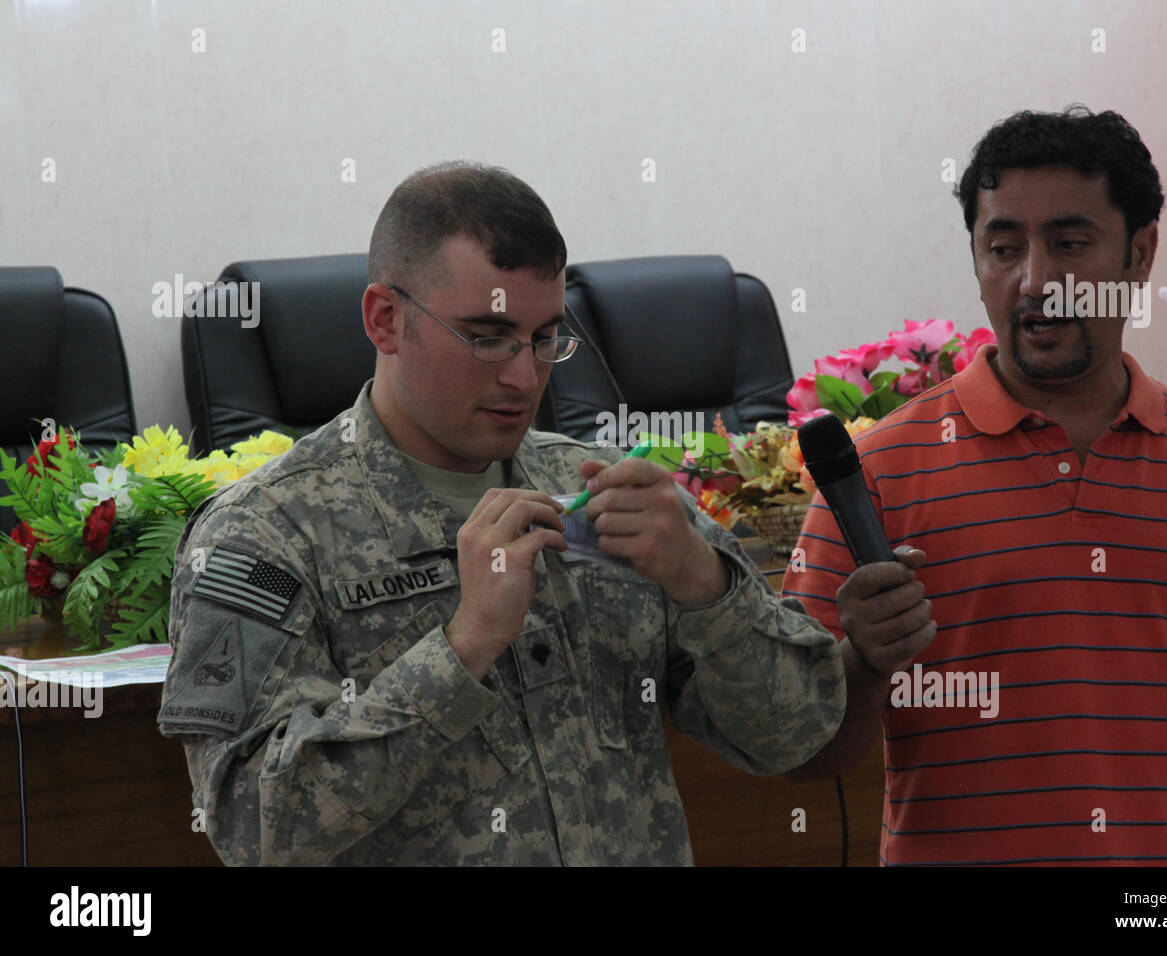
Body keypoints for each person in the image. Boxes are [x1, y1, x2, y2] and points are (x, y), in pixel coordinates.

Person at [157, 162, 845, 866]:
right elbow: (250, 825)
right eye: (486, 336)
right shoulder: (260, 535)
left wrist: (708, 587)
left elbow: (795, 738)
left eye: (545, 338)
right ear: (384, 319)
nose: (524, 377)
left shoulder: (599, 491)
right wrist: (465, 644)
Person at [785, 107, 1167, 866]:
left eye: (1068, 243)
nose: (1035, 280)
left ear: (1141, 252)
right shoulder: (874, 476)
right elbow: (799, 751)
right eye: (1002, 247)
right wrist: (862, 668)